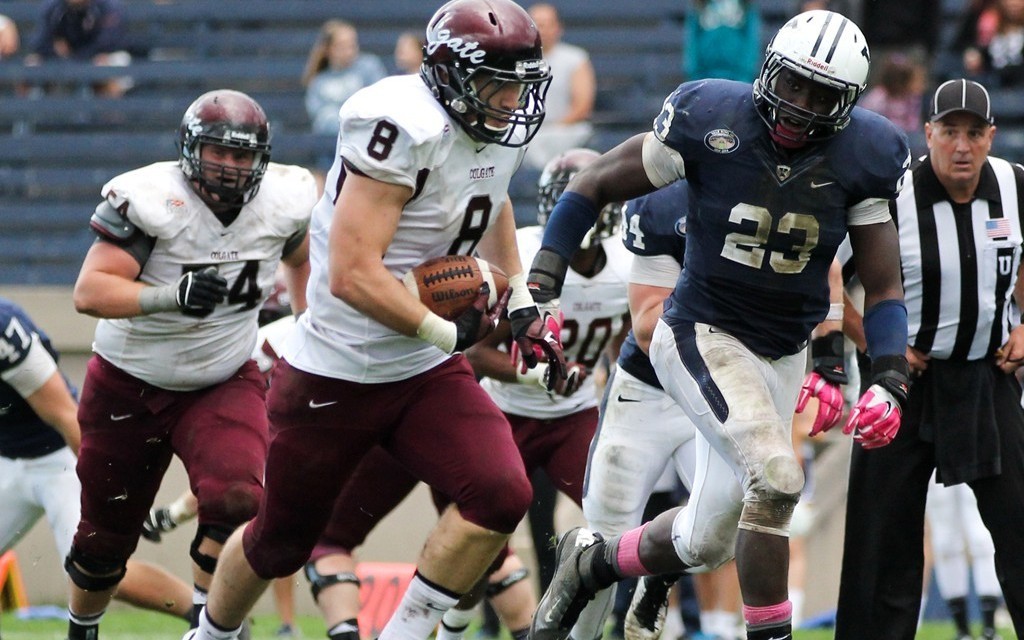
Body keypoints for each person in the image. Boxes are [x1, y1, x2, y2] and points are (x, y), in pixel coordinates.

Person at [522, 10, 912, 640]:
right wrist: (543, 281)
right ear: (768, 70)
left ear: (848, 104)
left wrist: (888, 375)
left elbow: (883, 285)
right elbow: (593, 182)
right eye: (792, 84)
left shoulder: (867, 154)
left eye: (821, 96)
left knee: (707, 541)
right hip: (702, 330)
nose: (800, 107)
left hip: (781, 354)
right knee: (777, 479)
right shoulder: (709, 119)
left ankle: (590, 565)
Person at [188, 3, 564, 640]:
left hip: (421, 368)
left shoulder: (492, 125)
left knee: (501, 494)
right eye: (496, 82)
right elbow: (352, 273)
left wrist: (523, 300)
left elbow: (491, 196)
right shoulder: (398, 123)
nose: (511, 99)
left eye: (520, 83)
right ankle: (210, 634)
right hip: (341, 364)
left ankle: (405, 633)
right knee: (280, 541)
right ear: (449, 73)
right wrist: (447, 334)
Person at [64, 88, 316, 640]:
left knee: (238, 497)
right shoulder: (152, 199)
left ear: (261, 159)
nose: (229, 166)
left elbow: (303, 259)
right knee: (104, 540)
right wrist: (168, 296)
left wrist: (307, 323)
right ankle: (82, 629)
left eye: (241, 154)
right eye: (217, 152)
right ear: (189, 149)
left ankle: (209, 628)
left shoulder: (283, 199)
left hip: (222, 376)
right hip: (129, 382)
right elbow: (89, 291)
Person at [834, 78, 1024, 640]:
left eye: (974, 133)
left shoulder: (1016, 186)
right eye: (950, 131)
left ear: (991, 136)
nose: (962, 146)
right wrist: (877, 344)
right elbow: (826, 274)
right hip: (902, 383)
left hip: (988, 374)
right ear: (928, 132)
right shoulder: (890, 195)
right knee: (881, 539)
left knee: (1019, 525)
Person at [0, 296, 193, 624]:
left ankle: (207, 613)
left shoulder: (4, 329)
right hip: (7, 458)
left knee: (94, 571)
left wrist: (108, 494)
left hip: (59, 458)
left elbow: (66, 415)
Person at [925, 476, 1004, 640]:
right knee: (946, 541)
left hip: (971, 459)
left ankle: (989, 629)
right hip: (935, 462)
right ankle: (962, 630)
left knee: (981, 537)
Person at [523, 3, 596, 170]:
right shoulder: (514, 59)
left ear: (558, 28)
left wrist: (554, 127)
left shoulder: (576, 58)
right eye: (535, 24)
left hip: (565, 132)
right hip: (525, 131)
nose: (540, 29)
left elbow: (583, 106)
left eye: (545, 24)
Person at [24, 0, 133, 97]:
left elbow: (108, 42)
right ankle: (36, 111)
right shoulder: (53, 6)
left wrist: (75, 54)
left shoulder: (108, 5)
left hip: (96, 57)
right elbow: (39, 42)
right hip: (64, 60)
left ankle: (111, 112)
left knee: (112, 64)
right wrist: (55, 49)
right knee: (31, 62)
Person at [302, 20, 387, 136]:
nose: (349, 51)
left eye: (352, 45)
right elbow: (320, 119)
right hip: (333, 140)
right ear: (328, 49)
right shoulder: (318, 81)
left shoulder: (369, 67)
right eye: (342, 45)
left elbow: (380, 102)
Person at [683, 0, 762, 83]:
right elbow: (692, 45)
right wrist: (695, 76)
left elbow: (751, 44)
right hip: (703, 76)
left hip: (738, 77)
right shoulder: (700, 7)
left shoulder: (745, 7)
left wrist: (745, 76)